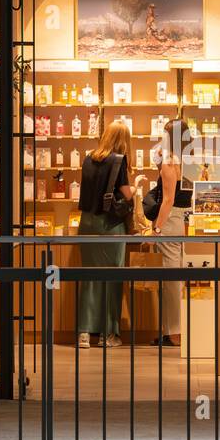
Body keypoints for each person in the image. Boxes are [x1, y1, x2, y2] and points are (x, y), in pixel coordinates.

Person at [76, 121, 134, 348]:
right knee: (112, 278)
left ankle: (84, 332)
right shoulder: (119, 161)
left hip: (87, 223)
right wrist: (137, 188)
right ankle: (108, 334)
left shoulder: (88, 158)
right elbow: (126, 194)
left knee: (89, 278)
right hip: (110, 225)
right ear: (123, 140)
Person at [145, 119, 193, 346]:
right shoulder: (188, 159)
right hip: (182, 219)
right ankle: (172, 330)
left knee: (170, 279)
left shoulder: (168, 161)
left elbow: (168, 199)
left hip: (170, 219)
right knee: (175, 277)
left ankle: (174, 332)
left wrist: (156, 228)